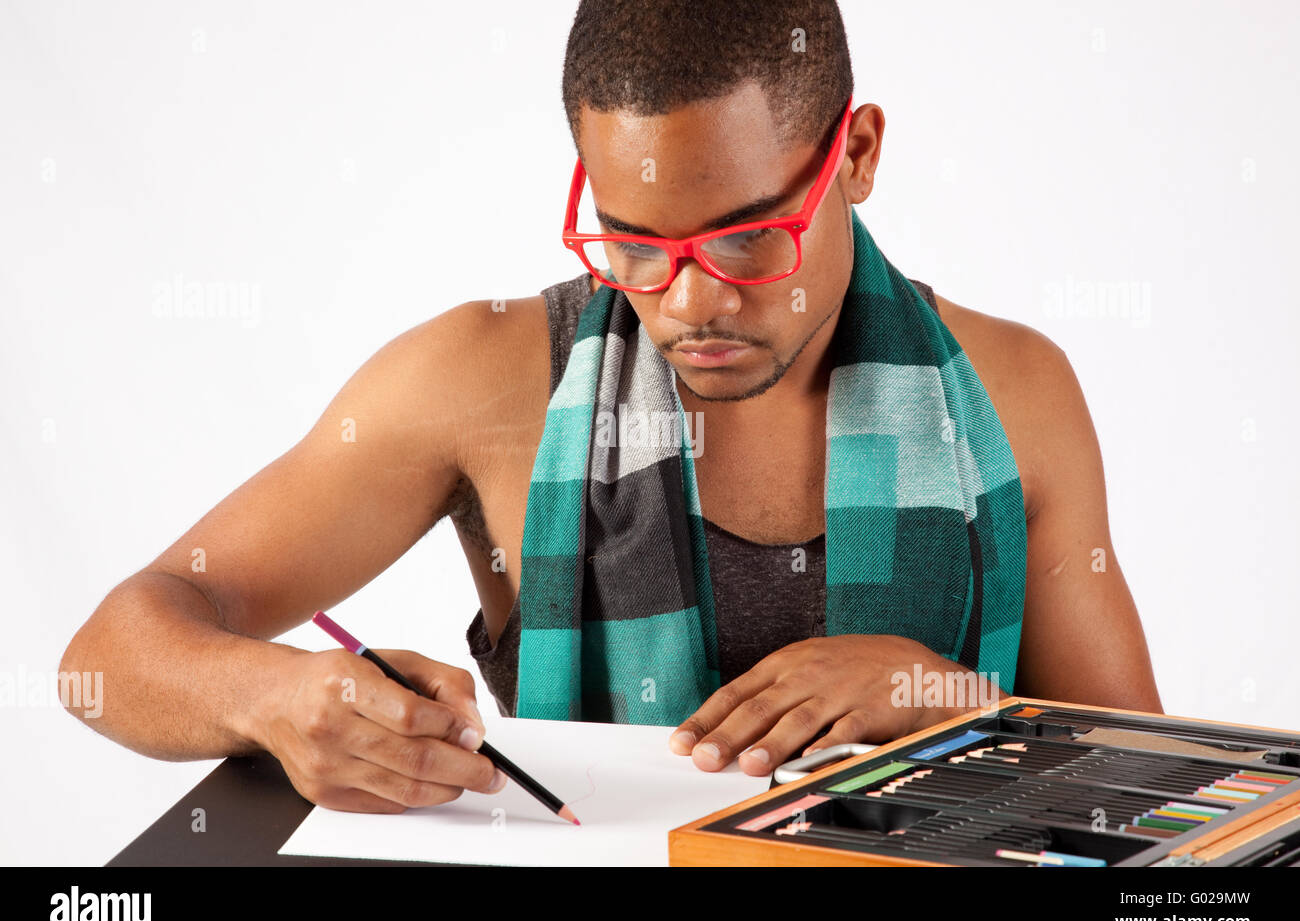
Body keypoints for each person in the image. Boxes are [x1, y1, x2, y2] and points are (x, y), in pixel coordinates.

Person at [60, 0, 1161, 814]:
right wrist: (279, 697)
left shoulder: (1014, 391)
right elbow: (110, 651)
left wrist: (956, 705)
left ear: (857, 155)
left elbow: (1164, 791)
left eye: (744, 235)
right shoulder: (487, 379)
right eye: (634, 243)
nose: (690, 302)